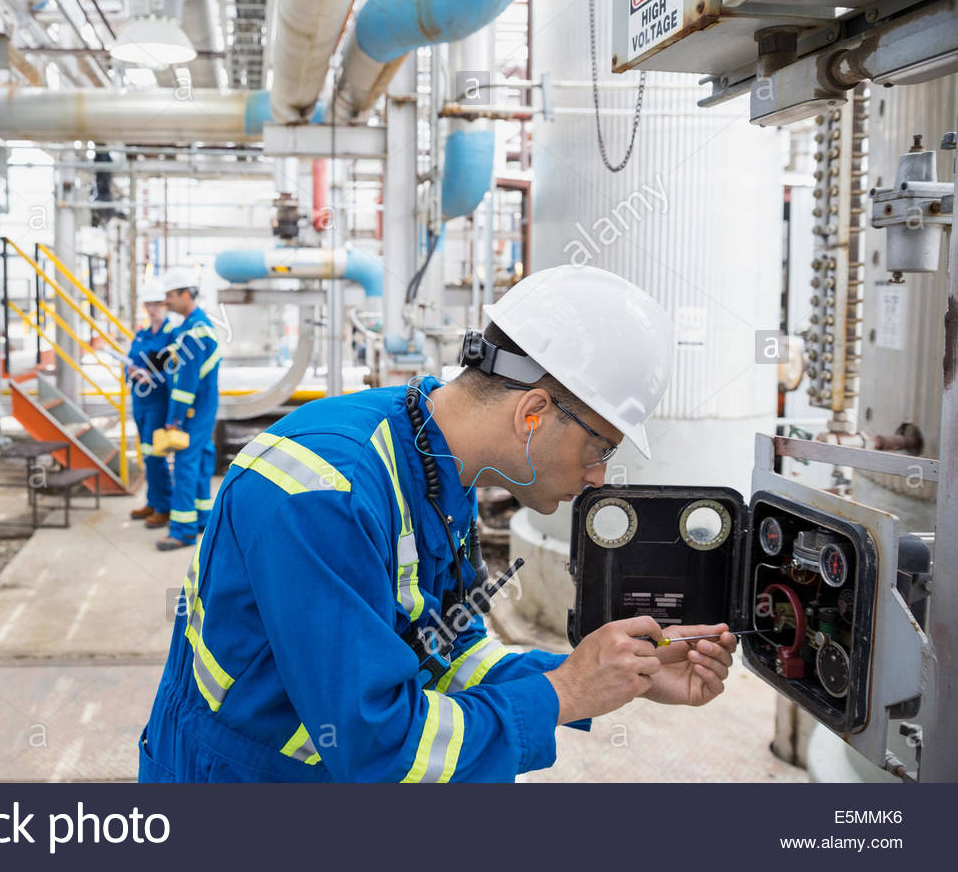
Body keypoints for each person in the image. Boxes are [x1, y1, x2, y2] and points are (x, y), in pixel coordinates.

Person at [139, 266, 739, 782]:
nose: (598, 477)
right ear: (533, 414)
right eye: (601, 446)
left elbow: (444, 650)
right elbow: (378, 750)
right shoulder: (327, 495)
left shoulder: (436, 466)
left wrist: (612, 672)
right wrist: (563, 695)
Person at [155, 268, 221, 552]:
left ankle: (182, 531)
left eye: (169, 296)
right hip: (204, 408)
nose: (166, 302)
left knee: (184, 465)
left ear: (185, 294)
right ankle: (203, 518)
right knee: (203, 459)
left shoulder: (193, 332)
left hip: (193, 411)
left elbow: (185, 383)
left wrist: (175, 418)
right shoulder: (196, 325)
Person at [127, 281, 176, 529]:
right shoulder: (142, 333)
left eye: (156, 304)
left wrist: (153, 377)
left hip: (158, 403)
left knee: (155, 454)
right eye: (148, 304)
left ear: (166, 305)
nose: (152, 309)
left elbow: (173, 371)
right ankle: (153, 501)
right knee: (147, 455)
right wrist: (132, 371)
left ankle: (164, 507)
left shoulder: (172, 335)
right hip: (140, 401)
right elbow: (131, 360)